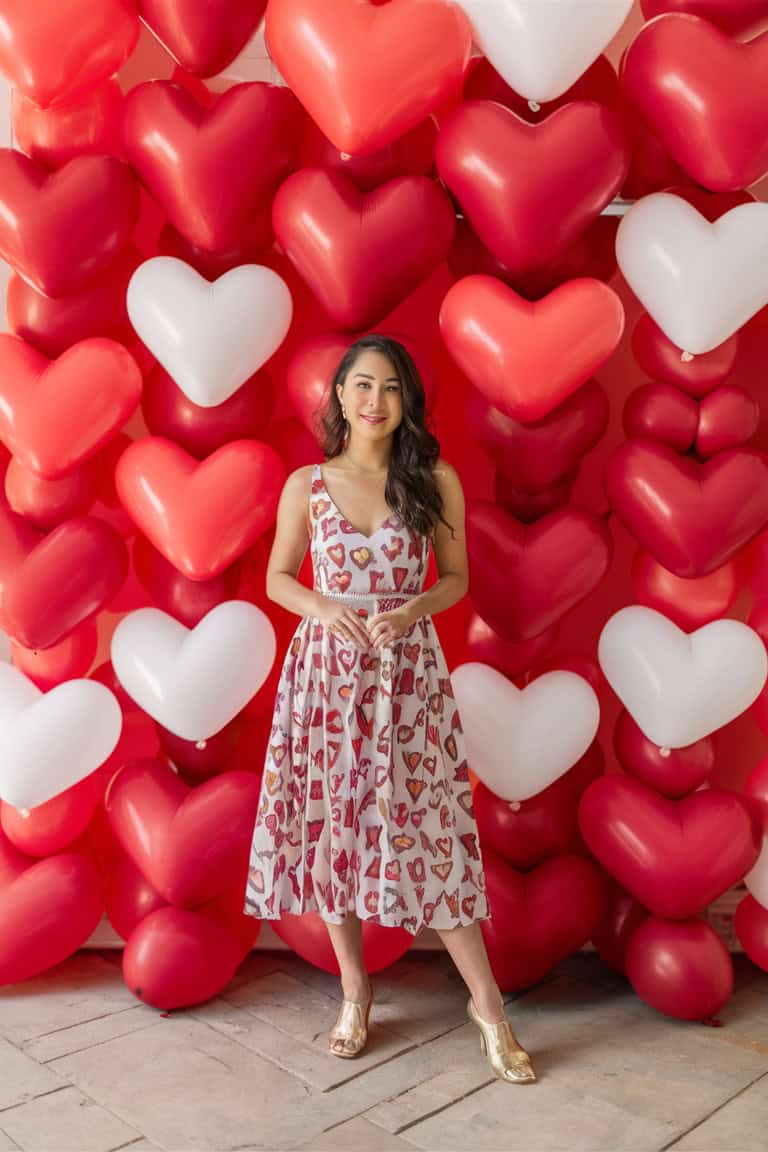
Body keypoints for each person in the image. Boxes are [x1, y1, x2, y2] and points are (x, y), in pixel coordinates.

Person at [244, 334, 535, 1084]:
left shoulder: (434, 478)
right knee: (335, 830)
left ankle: (490, 1011)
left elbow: (457, 577)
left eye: (392, 388)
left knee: (428, 833)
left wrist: (408, 614)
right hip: (328, 680)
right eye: (362, 386)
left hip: (409, 682)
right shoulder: (306, 485)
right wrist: (322, 605)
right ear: (339, 395)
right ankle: (354, 993)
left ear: (407, 402)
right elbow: (277, 577)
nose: (375, 401)